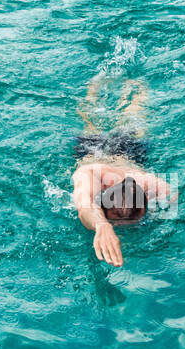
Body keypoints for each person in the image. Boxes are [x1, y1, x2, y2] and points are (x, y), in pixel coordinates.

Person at [71, 73, 173, 268]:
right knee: (90, 121)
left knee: (134, 117)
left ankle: (137, 85)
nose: (119, 228)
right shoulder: (88, 175)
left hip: (129, 155)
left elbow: (170, 205)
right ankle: (93, 88)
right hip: (95, 152)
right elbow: (84, 207)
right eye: (116, 223)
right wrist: (102, 225)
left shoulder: (157, 187)